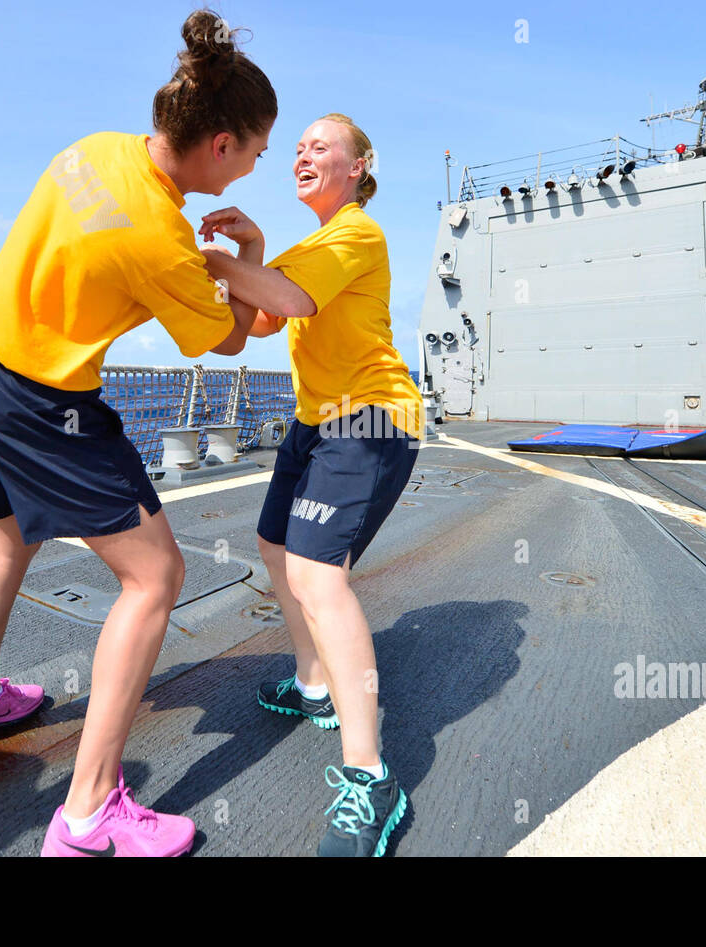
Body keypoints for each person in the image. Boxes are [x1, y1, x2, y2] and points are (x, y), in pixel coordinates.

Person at [0, 9, 288, 857]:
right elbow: (233, 338)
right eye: (259, 152)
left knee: (8, 541)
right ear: (224, 146)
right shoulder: (161, 237)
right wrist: (252, 253)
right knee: (154, 574)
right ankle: (89, 811)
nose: (258, 167)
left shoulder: (94, 148)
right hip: (40, 401)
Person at [198, 113, 425, 857]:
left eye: (320, 145)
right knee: (273, 543)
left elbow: (287, 303)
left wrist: (208, 260)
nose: (301, 152)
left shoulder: (358, 233)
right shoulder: (308, 247)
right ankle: (314, 686)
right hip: (315, 420)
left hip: (369, 417)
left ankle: (371, 776)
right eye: (297, 147)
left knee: (317, 574)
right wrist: (253, 252)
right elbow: (261, 322)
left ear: (358, 167)